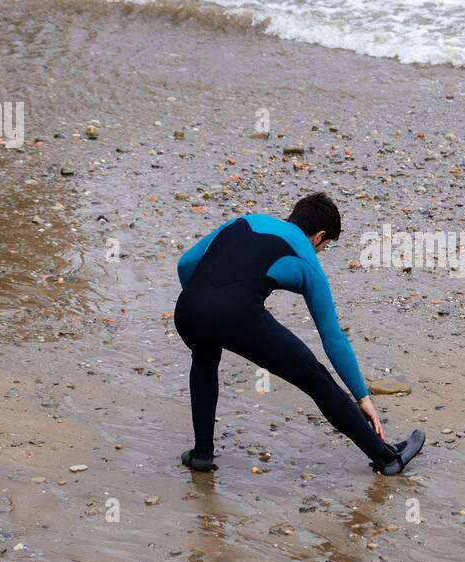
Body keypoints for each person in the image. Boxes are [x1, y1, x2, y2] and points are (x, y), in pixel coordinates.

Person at [172, 192, 425, 475]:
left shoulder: (245, 220)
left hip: (187, 310)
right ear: (319, 236)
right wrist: (362, 396)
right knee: (314, 377)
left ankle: (202, 455)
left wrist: (203, 304)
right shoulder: (305, 256)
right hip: (236, 316)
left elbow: (185, 263)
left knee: (205, 359)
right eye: (324, 246)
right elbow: (332, 337)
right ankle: (387, 459)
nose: (319, 253)